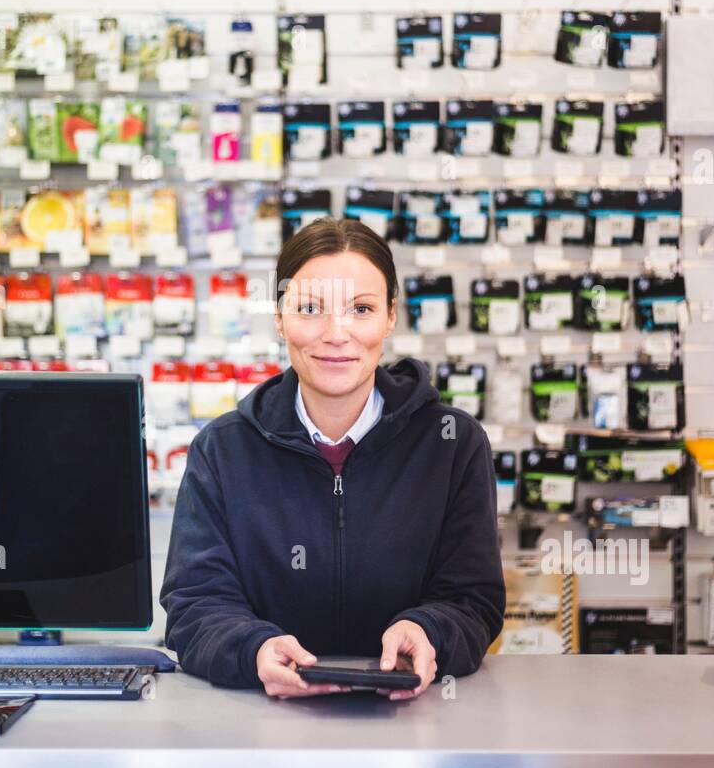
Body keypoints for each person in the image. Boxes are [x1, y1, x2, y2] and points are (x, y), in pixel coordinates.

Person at [160, 217, 505, 699]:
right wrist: (253, 650)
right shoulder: (221, 451)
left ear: (390, 315)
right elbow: (196, 604)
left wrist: (428, 630)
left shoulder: (453, 444)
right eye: (310, 308)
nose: (336, 334)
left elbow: (472, 603)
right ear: (279, 318)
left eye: (360, 309)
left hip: (418, 725)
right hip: (261, 727)